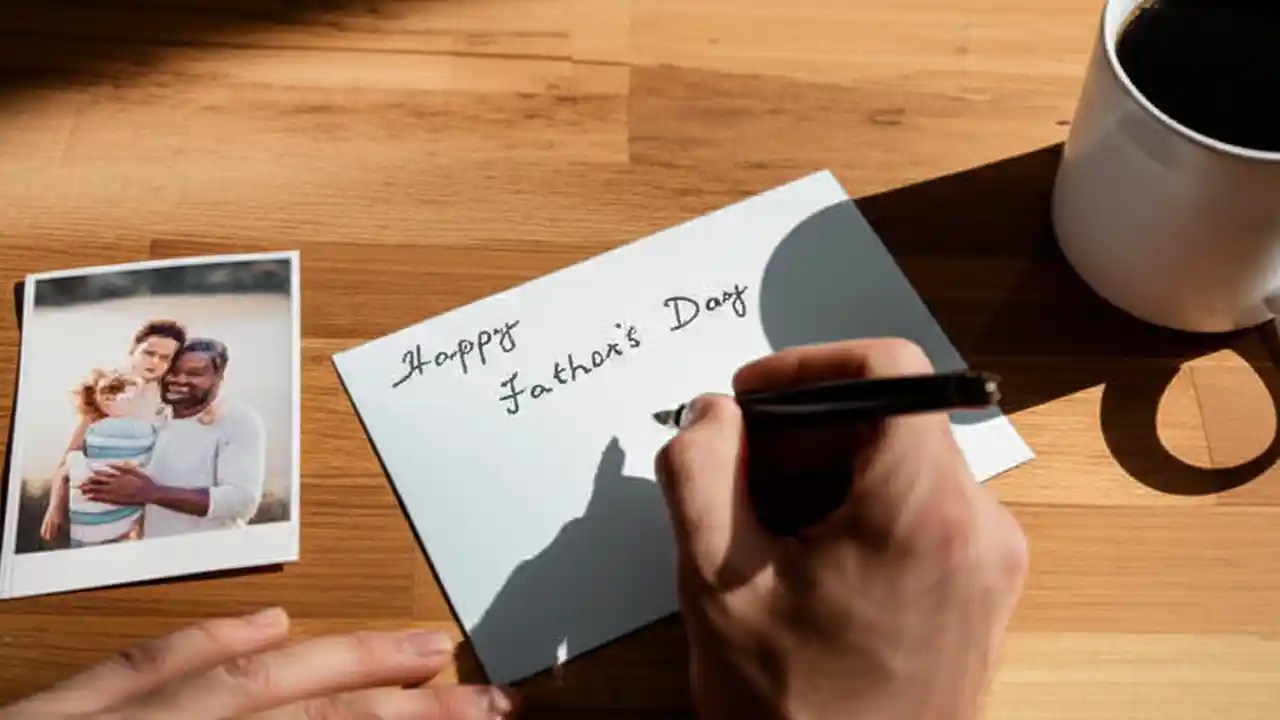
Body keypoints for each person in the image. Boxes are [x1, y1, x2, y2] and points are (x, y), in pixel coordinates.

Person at [0, 338, 1027, 720]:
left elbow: (226, 506)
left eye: (184, 373)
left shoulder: (242, 426)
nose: (169, 384)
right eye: (159, 373)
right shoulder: (121, 423)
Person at [79, 338, 266, 538]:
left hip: (209, 554)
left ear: (219, 377)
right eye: (172, 372)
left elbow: (242, 500)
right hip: (148, 553)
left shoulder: (236, 419)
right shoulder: (149, 417)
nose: (179, 380)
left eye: (194, 374)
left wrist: (152, 493)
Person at [40, 319, 189, 544]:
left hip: (140, 507)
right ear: (133, 350)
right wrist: (55, 507)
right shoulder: (112, 395)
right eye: (149, 353)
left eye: (165, 357)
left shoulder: (168, 403)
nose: (156, 361)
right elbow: (71, 455)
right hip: (93, 505)